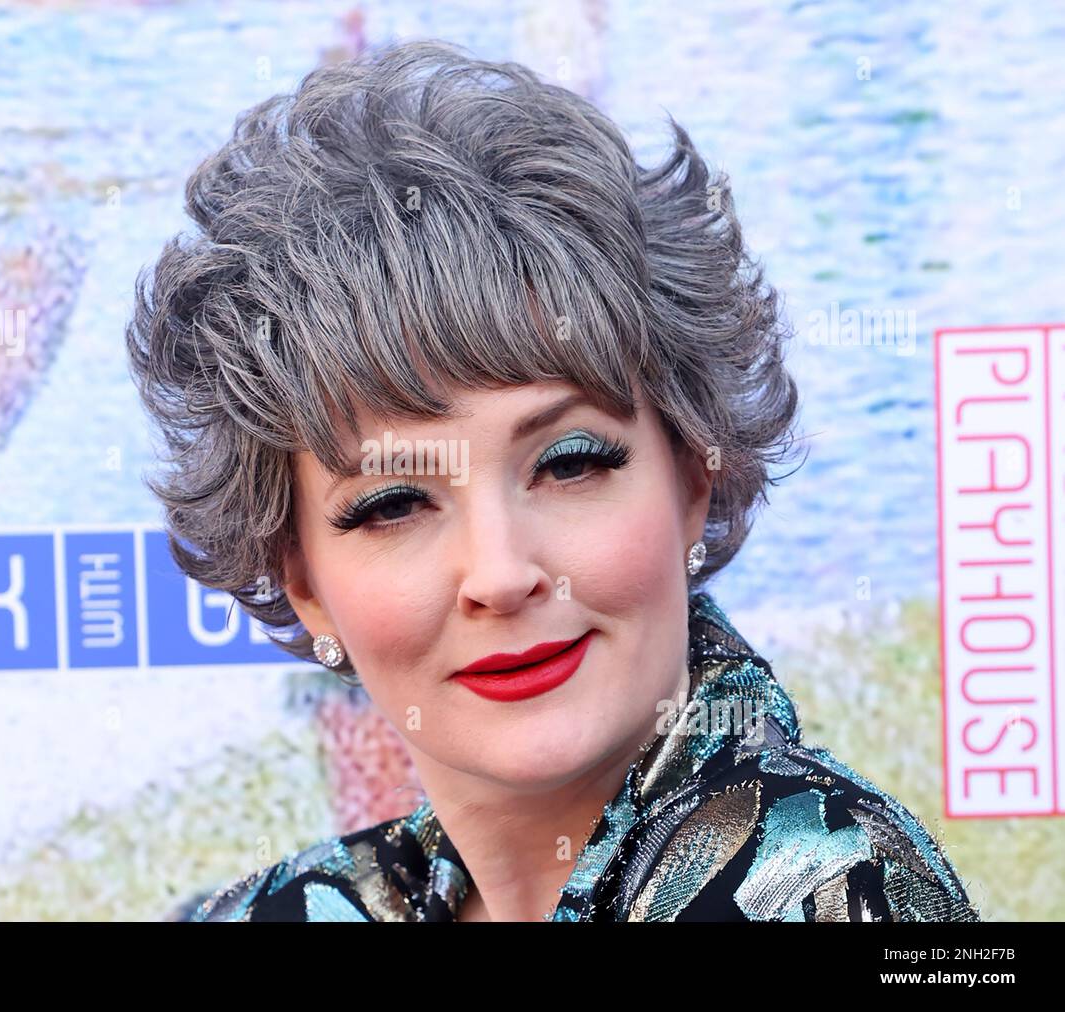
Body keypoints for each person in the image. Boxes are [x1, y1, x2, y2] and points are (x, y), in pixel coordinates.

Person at [126, 38, 980, 922]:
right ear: (301, 582)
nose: (500, 573)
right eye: (393, 504)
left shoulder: (830, 886)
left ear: (692, 476)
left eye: (569, 461)